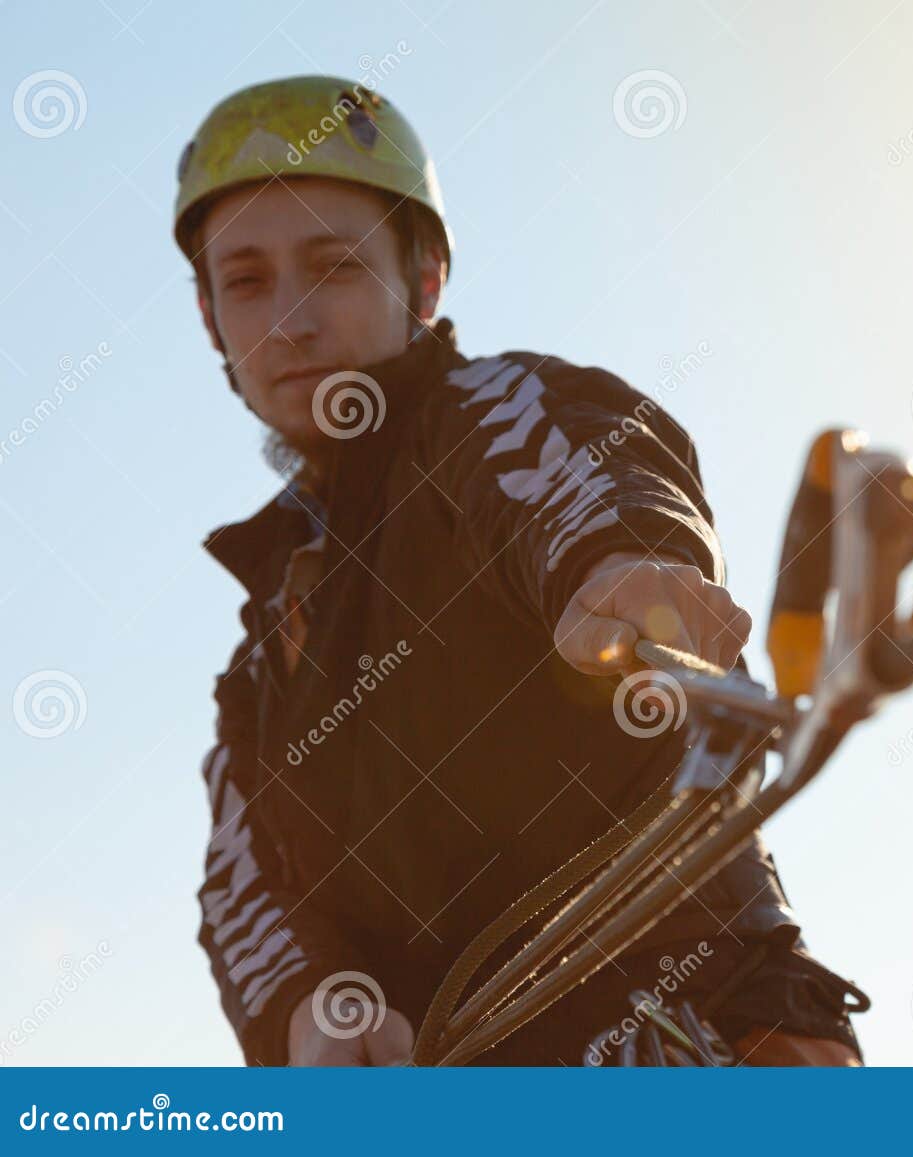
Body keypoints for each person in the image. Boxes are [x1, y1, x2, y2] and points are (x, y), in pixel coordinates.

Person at [176, 76, 868, 1066]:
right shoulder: (258, 671)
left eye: (333, 266)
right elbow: (242, 889)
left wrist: (627, 575)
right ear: (209, 316)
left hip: (698, 1044)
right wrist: (312, 1004)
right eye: (245, 280)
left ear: (422, 281)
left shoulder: (490, 420)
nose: (287, 320)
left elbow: (577, 475)